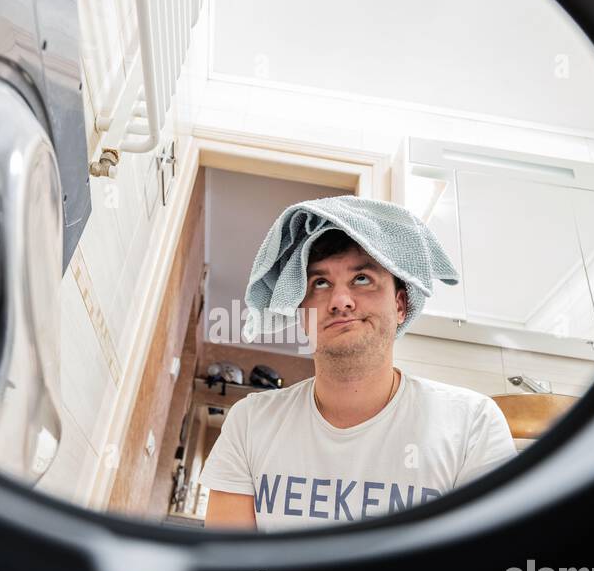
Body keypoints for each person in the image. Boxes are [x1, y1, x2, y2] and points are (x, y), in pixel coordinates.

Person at [199, 225, 517, 532]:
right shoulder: (250, 422)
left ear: (401, 305)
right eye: (320, 283)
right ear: (301, 313)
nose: (340, 301)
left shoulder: (472, 424)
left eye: (362, 279)